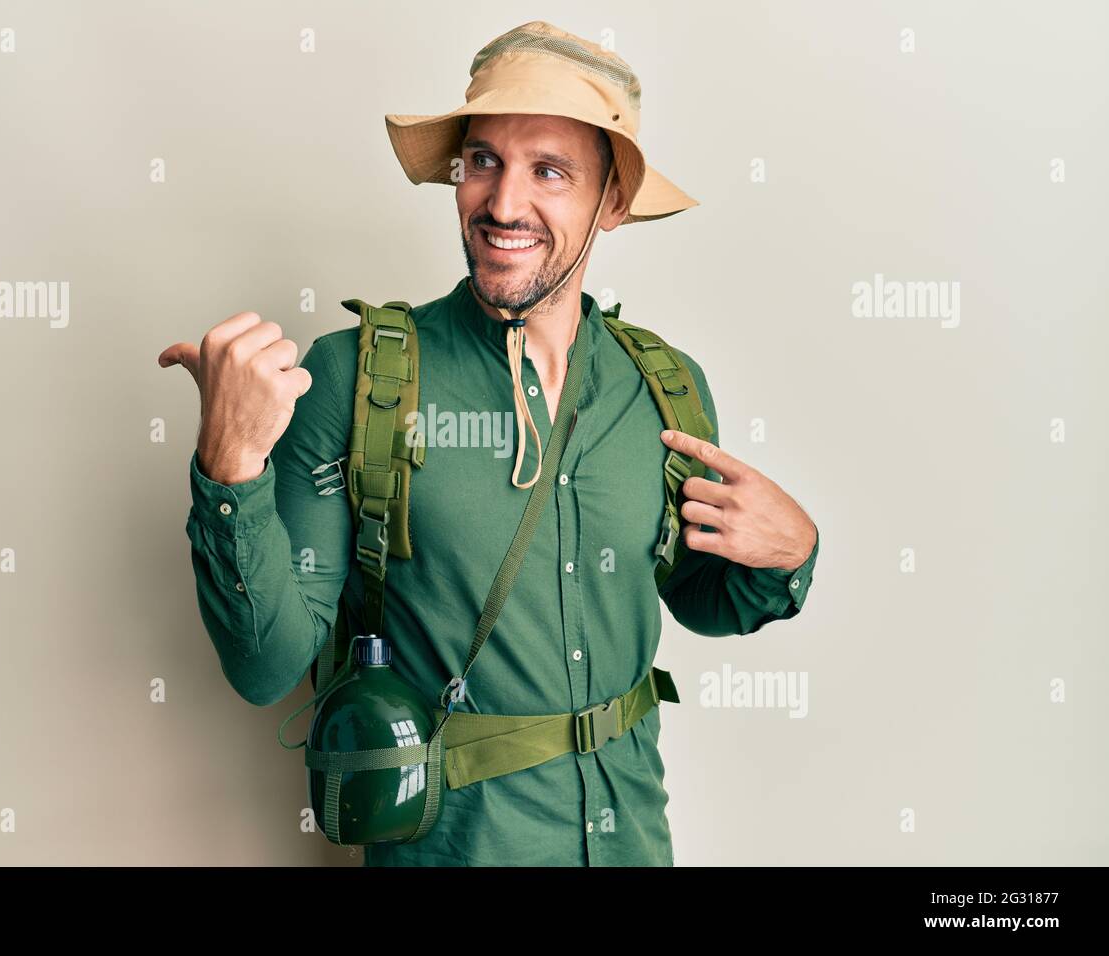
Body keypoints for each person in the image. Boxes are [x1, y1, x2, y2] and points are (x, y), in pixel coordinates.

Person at [158, 20, 819, 866]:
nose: (504, 205)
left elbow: (699, 598)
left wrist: (790, 555)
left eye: (549, 170)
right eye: (483, 161)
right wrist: (229, 469)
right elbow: (265, 667)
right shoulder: (356, 379)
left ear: (611, 201)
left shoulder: (665, 388)